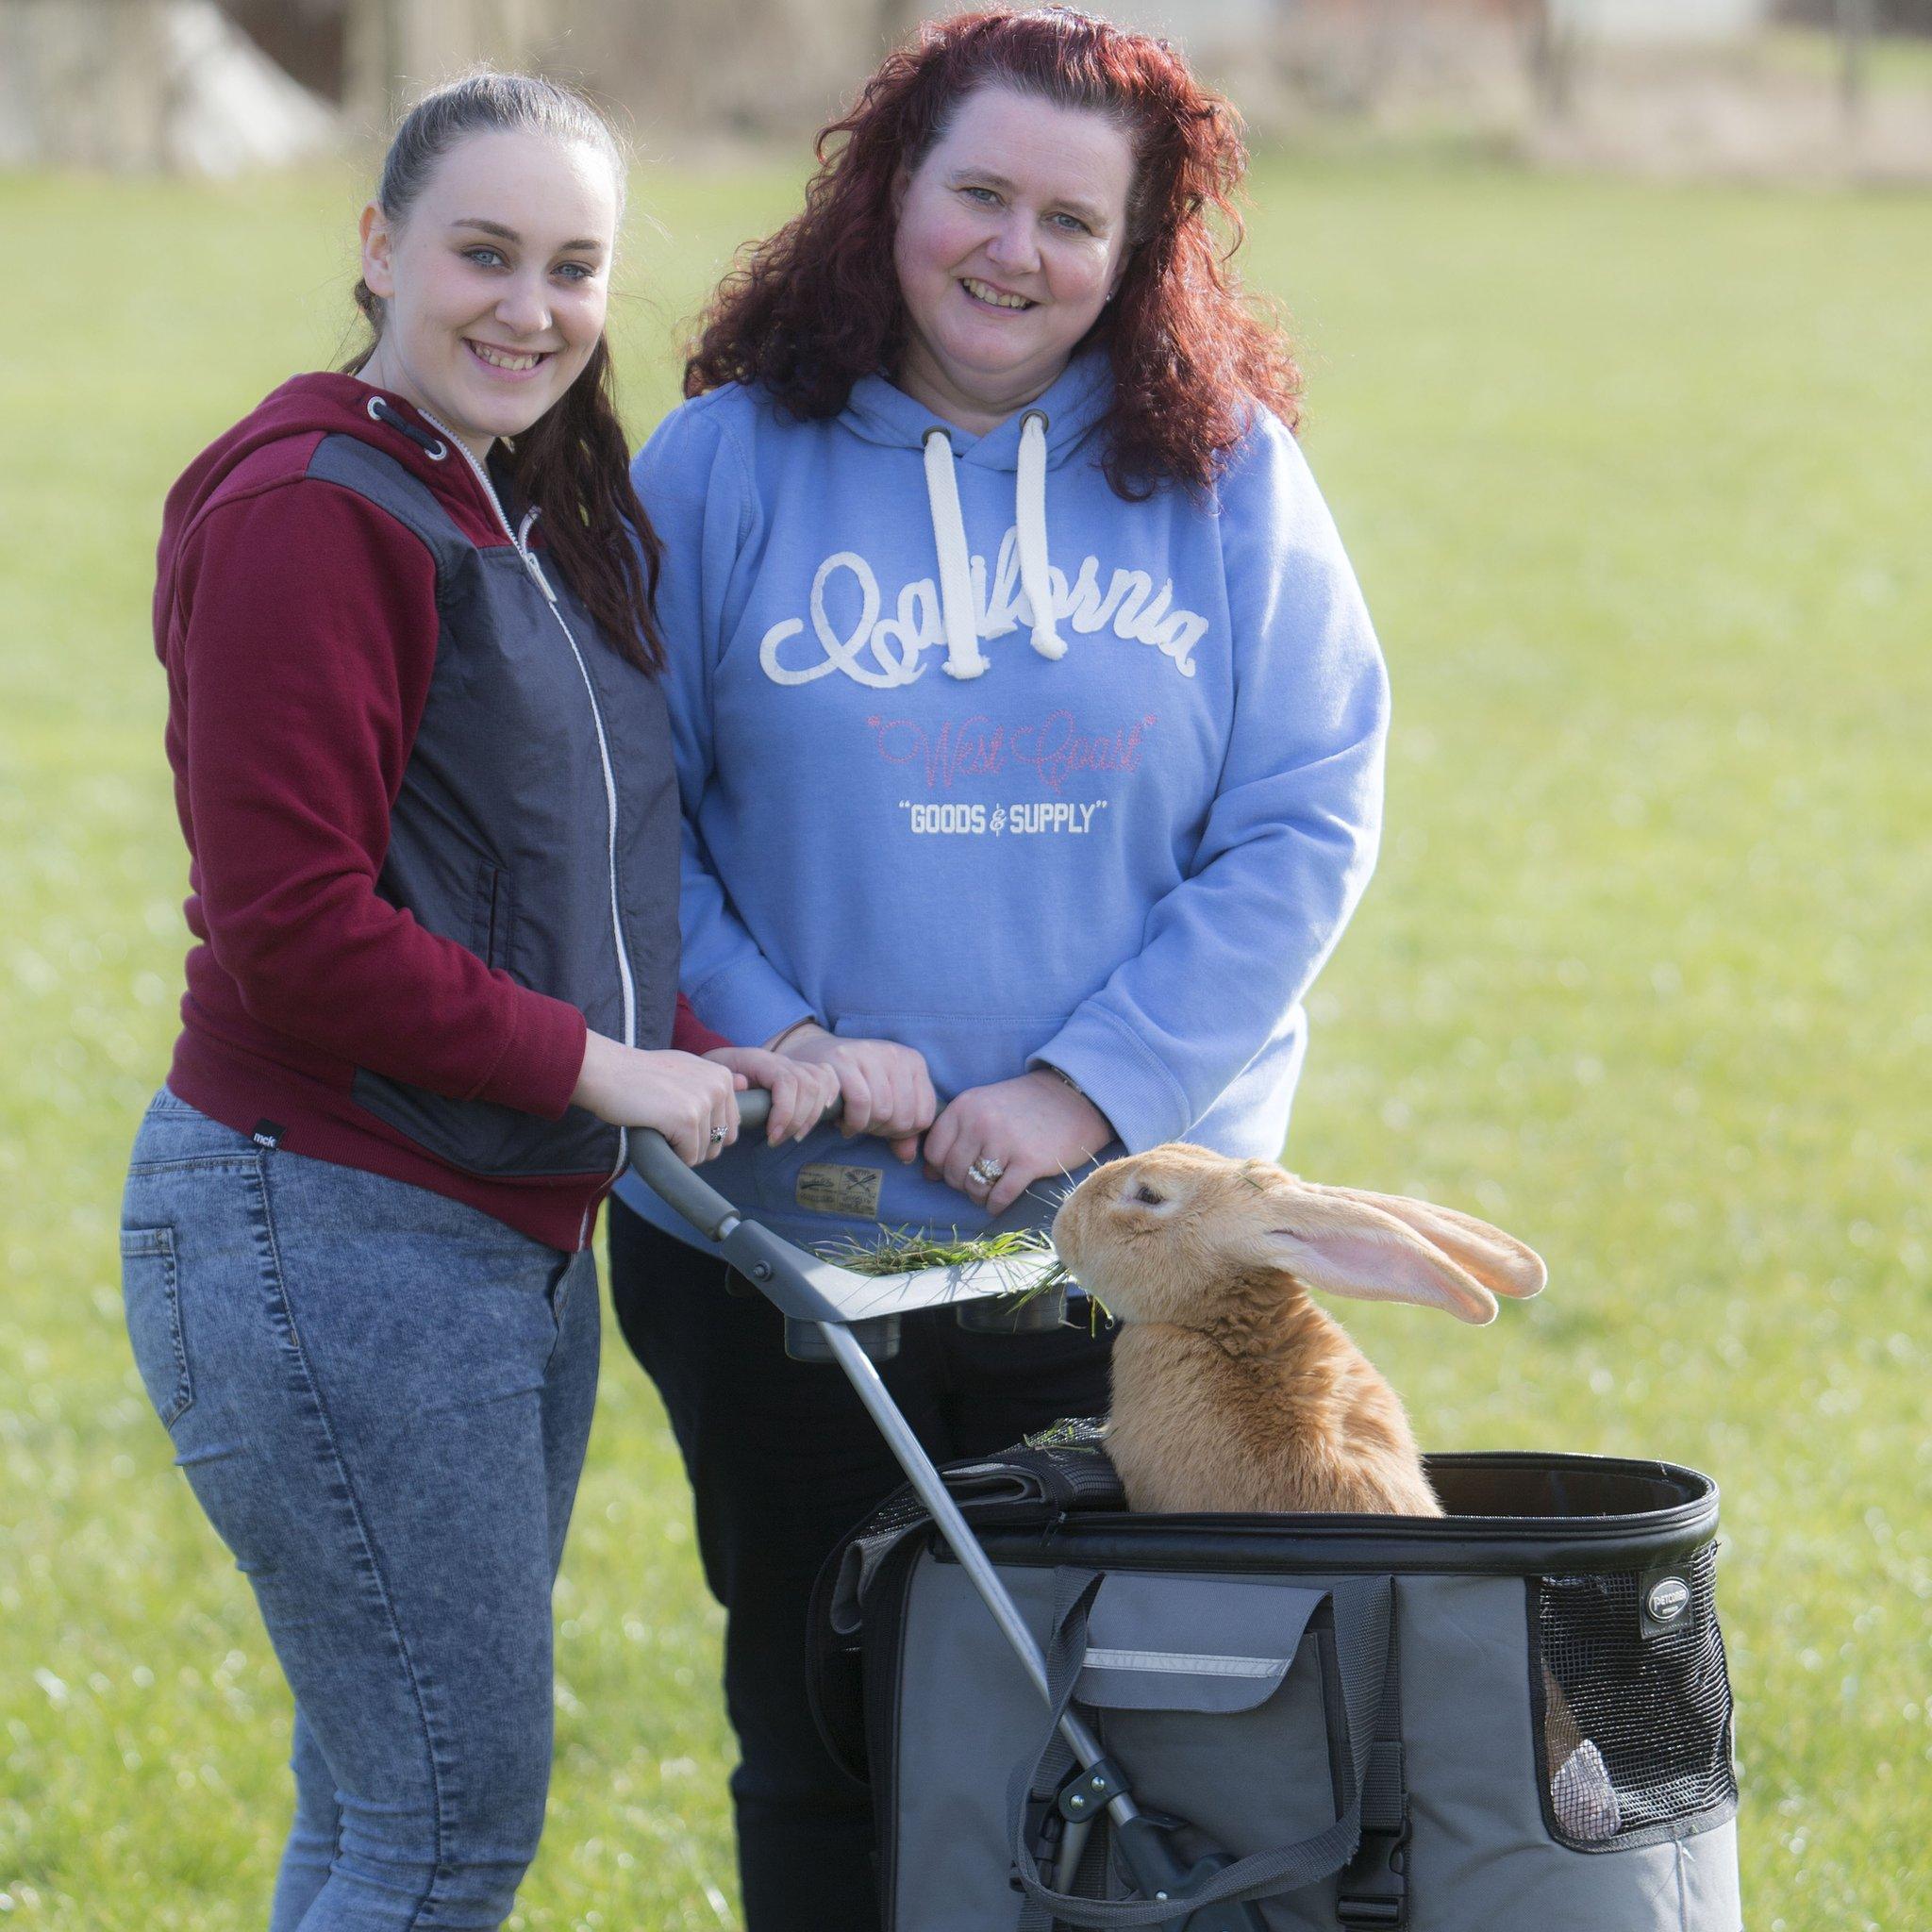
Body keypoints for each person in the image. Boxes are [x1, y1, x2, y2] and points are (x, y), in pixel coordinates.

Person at [606, 9, 1392, 1926]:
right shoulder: (719, 466)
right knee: (824, 1724)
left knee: (1124, 1735)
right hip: (775, 1239)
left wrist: (1085, 1088)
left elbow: (1305, 817)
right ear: (890, 190)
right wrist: (783, 1037)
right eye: (977, 194)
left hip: (1123, 1248)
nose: (1012, 252)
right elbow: (630, 815)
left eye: (1071, 219)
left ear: (1137, 250)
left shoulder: (1228, 477)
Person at [119, 72, 837, 1930]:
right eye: (483, 254)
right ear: (378, 249)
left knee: (381, 1817)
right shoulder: (310, 508)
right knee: (439, 1833)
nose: (530, 308)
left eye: (573, 267)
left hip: (490, 1237)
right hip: (333, 1226)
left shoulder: (513, 505)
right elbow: (294, 927)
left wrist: (720, 1050)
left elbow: (541, 884)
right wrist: (608, 1072)